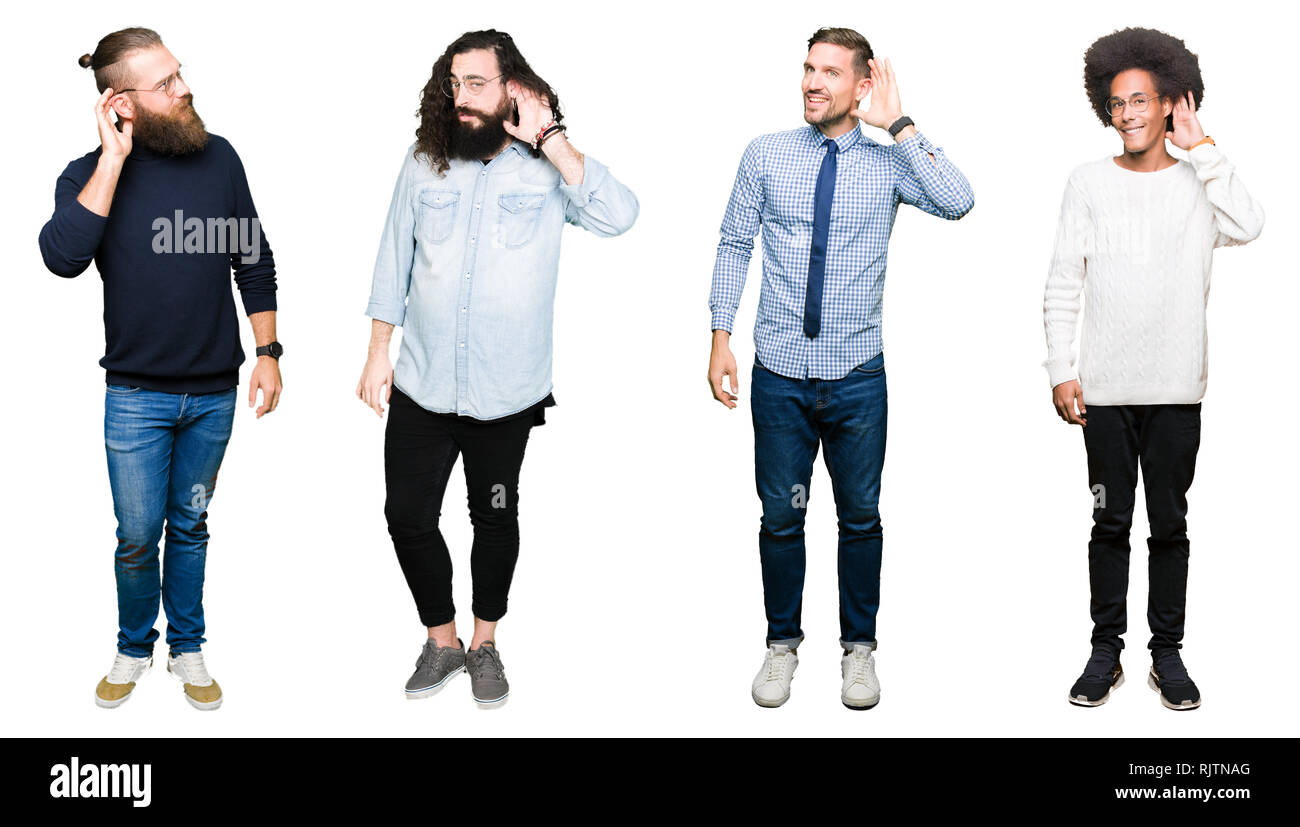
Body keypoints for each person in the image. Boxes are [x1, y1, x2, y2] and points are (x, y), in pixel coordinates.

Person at [358, 29, 638, 707]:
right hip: (422, 382)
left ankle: (484, 644)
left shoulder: (546, 168)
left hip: (505, 392)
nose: (462, 97)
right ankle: (443, 640)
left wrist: (553, 139)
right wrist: (376, 352)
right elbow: (394, 255)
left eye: (477, 84)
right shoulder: (425, 160)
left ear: (512, 87)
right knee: (407, 516)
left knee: (493, 515)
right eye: (454, 84)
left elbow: (620, 214)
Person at [708, 27, 974, 710]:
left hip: (857, 378)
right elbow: (736, 242)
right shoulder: (766, 154)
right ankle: (781, 644)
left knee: (860, 517)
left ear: (862, 86)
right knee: (780, 517)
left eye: (830, 72)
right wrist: (719, 336)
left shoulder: (890, 164)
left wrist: (904, 124)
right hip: (780, 377)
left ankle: (859, 651)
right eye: (807, 69)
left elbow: (959, 199)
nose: (811, 82)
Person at [38, 27, 283, 711]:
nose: (186, 88)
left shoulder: (220, 160)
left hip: (213, 400)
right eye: (167, 84)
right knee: (138, 535)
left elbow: (253, 262)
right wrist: (113, 160)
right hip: (136, 402)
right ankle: (132, 645)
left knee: (193, 522)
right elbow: (61, 256)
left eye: (181, 73)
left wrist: (268, 353)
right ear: (123, 103)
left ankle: (189, 645)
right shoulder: (86, 177)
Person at [1043, 27, 1263, 711]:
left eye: (1143, 100)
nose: (1129, 114)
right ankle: (1105, 648)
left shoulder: (1201, 183)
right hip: (1105, 394)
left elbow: (1251, 224)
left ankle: (1166, 653)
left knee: (1169, 525)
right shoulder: (1086, 183)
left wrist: (1203, 147)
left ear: (1171, 102)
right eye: (1117, 103)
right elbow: (1061, 283)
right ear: (1105, 109)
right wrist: (1060, 367)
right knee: (1108, 524)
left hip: (1176, 393)